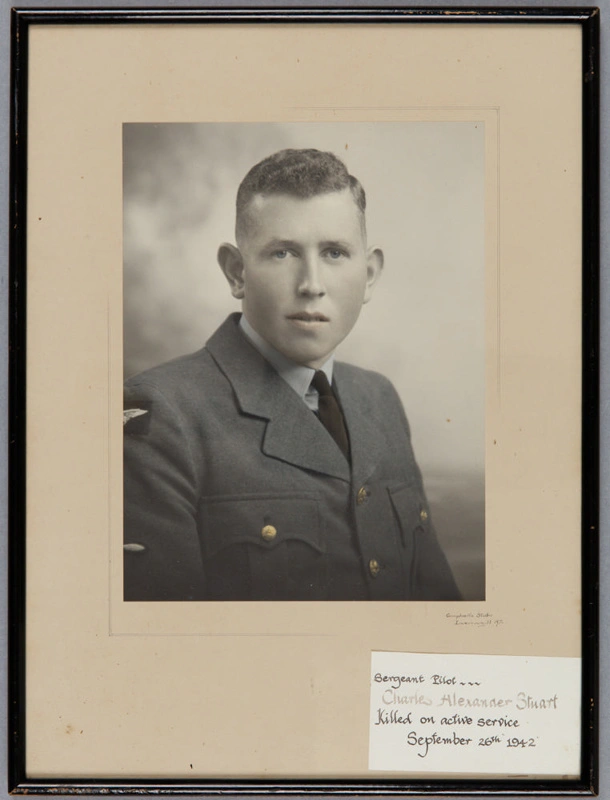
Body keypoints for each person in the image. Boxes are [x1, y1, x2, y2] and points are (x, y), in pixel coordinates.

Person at [123, 148, 460, 601]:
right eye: (283, 253)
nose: (312, 284)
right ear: (237, 272)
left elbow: (439, 609)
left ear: (370, 274)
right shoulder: (165, 414)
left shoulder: (378, 398)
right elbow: (168, 647)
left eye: (336, 253)